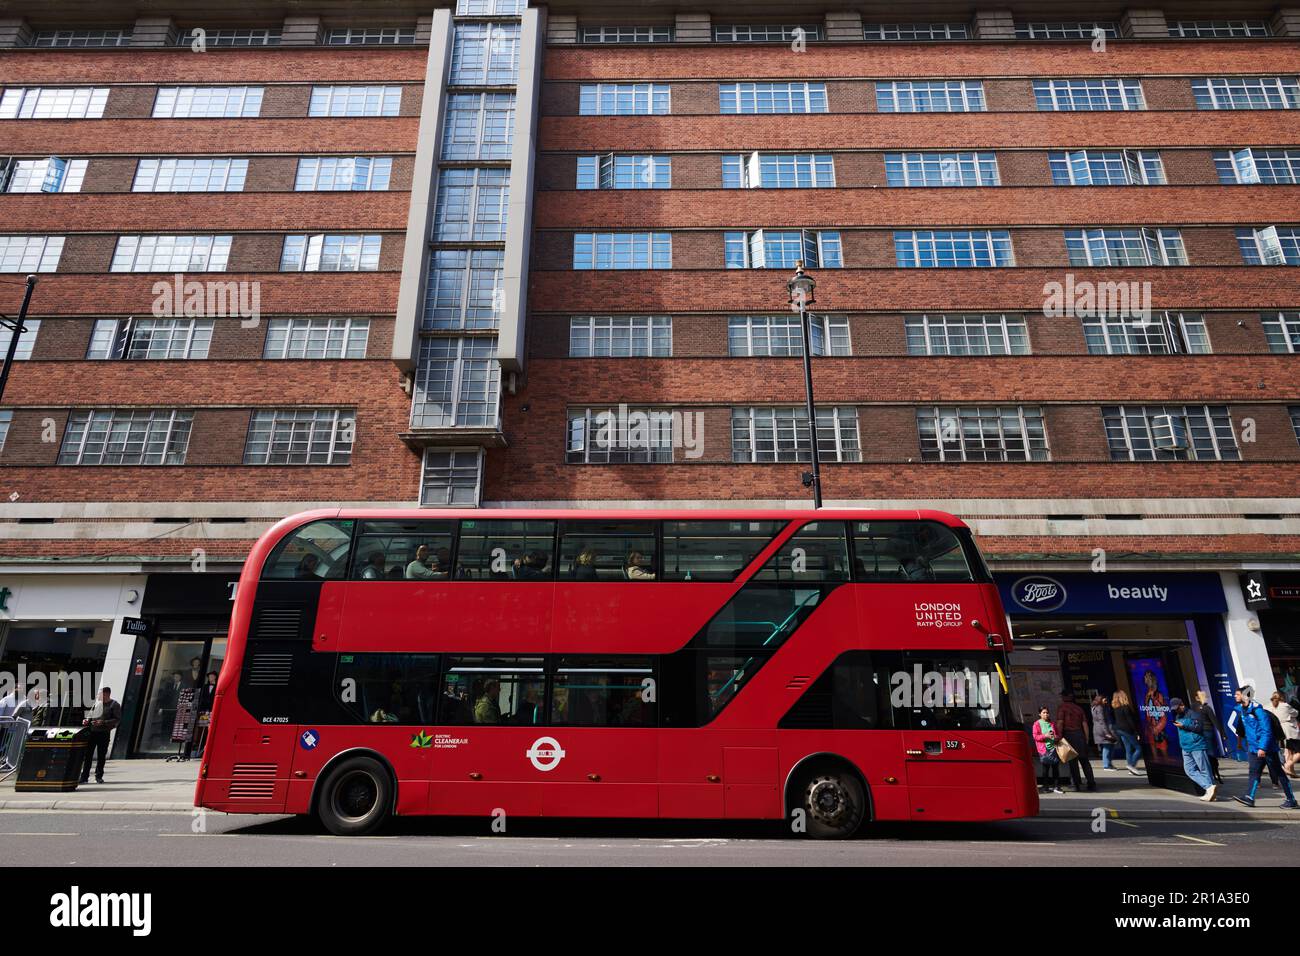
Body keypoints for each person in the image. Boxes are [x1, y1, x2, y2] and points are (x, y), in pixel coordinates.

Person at [1228, 685, 1298, 809]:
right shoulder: (1243, 710)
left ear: (1245, 696)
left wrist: (1263, 748)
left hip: (1267, 749)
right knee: (1254, 772)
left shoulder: (1258, 711)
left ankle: (1291, 800)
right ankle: (1250, 797)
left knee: (1279, 773)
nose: (1235, 696)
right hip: (1254, 748)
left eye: (1237, 694)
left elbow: (1267, 731)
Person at [1170, 697, 1216, 801]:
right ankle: (1209, 787)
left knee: (1204, 770)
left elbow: (1199, 727)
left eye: (1177, 708)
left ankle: (1210, 791)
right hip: (1185, 747)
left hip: (1197, 745)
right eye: (1174, 709)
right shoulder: (1178, 715)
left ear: (1182, 704)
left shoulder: (1193, 713)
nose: (1176, 710)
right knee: (1189, 770)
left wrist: (1184, 725)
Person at [79, 687, 121, 784]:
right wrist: (86, 720)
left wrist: (103, 722)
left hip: (104, 734)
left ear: (106, 694)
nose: (98, 696)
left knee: (101, 756)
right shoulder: (96, 704)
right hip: (92, 733)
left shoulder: (114, 705)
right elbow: (89, 715)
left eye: (100, 694)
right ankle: (84, 777)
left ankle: (98, 777)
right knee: (87, 756)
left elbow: (117, 720)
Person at [1056, 691, 1096, 792]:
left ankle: (1076, 784)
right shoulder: (1079, 708)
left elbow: (1060, 723)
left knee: (1072, 762)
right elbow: (1085, 725)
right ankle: (1091, 783)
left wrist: (1058, 737)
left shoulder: (1062, 708)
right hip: (1080, 735)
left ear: (1064, 697)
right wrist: (1086, 738)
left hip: (1068, 735)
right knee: (1085, 761)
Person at [1193, 690, 1225, 784]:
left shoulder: (1193, 707)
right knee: (1211, 753)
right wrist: (1223, 734)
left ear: (1196, 698)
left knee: (1202, 754)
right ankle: (1216, 774)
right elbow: (1215, 721)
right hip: (1208, 731)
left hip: (1199, 732)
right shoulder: (1207, 708)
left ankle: (1207, 774)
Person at [1266, 691, 1300, 778]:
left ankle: (1292, 772)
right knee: (1297, 751)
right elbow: (1296, 713)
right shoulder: (1285, 706)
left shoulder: (1268, 706)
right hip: (1289, 731)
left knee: (1289, 751)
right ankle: (1286, 766)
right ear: (1282, 697)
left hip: (1276, 731)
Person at [1032, 706, 1064, 794]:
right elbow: (1035, 737)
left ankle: (1057, 787)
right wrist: (1045, 736)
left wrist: (1055, 737)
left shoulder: (1052, 723)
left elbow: (1058, 735)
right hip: (1043, 749)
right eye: (1044, 713)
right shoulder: (1037, 724)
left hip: (1053, 748)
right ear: (1040, 714)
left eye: (1047, 712)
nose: (1046, 714)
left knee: (1055, 768)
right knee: (1045, 769)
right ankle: (1045, 787)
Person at [1111, 689, 1143, 776]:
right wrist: (1136, 732)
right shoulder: (1126, 707)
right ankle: (1131, 766)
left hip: (1119, 730)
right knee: (1139, 748)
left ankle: (1131, 769)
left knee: (1128, 749)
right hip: (1127, 730)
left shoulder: (1116, 708)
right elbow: (1130, 721)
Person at [1142, 670, 1170, 764]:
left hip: (1158, 727)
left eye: (1146, 677)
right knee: (1153, 749)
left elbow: (1162, 714)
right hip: (1151, 727)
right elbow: (1148, 711)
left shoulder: (1157, 694)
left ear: (1150, 679)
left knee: (1163, 750)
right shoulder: (1147, 694)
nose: (1144, 678)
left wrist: (1157, 728)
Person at [1091, 694, 1118, 771]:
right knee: (1107, 747)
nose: (1106, 700)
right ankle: (1106, 765)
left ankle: (1108, 764)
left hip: (1098, 729)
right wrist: (1107, 732)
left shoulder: (1095, 707)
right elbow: (1101, 720)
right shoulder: (1100, 708)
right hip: (1103, 730)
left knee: (1109, 746)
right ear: (1100, 699)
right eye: (1104, 699)